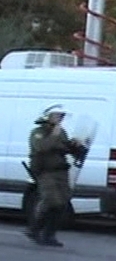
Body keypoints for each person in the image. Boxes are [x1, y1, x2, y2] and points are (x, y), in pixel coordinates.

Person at [26, 104, 87, 247]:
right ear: (48, 117)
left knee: (62, 204)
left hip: (61, 171)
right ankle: (34, 229)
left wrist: (76, 146)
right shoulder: (38, 132)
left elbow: (65, 148)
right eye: (57, 116)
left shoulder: (61, 132)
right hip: (45, 171)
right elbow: (42, 147)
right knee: (52, 201)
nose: (60, 119)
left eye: (61, 116)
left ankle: (49, 235)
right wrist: (54, 134)